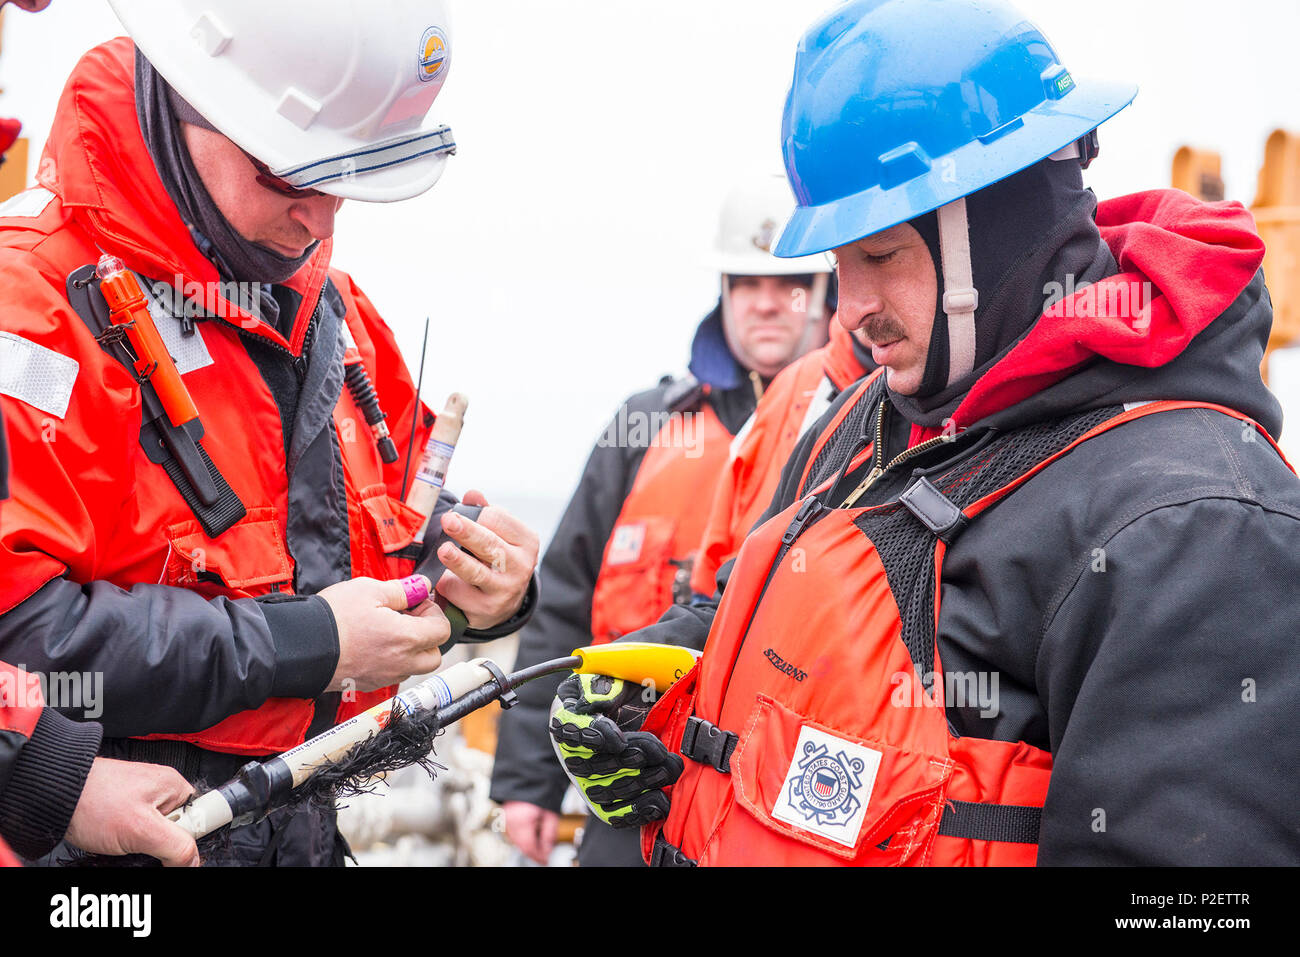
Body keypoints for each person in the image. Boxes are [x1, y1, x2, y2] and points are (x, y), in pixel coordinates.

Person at [551, 0, 1300, 866]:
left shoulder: (1200, 527)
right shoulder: (871, 419)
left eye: (878, 255)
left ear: (996, 228)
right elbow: (773, 616)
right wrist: (662, 681)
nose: (852, 309)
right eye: (836, 265)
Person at [0, 0, 537, 866]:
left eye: (348, 178)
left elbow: (380, 544)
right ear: (187, 107)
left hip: (299, 829)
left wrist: (475, 585)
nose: (322, 220)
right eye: (294, 176)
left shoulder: (337, 315)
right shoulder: (29, 307)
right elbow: (22, 640)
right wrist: (309, 645)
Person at [491, 174, 833, 866]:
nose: (767, 302)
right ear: (724, 295)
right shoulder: (648, 425)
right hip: (629, 784)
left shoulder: (858, 430)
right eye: (745, 282)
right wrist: (528, 781)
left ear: (826, 294)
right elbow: (562, 600)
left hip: (776, 807)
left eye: (789, 281)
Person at [688, 319, 876, 600]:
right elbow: (710, 589)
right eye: (748, 285)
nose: (766, 306)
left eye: (792, 286)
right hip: (745, 611)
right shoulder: (791, 385)